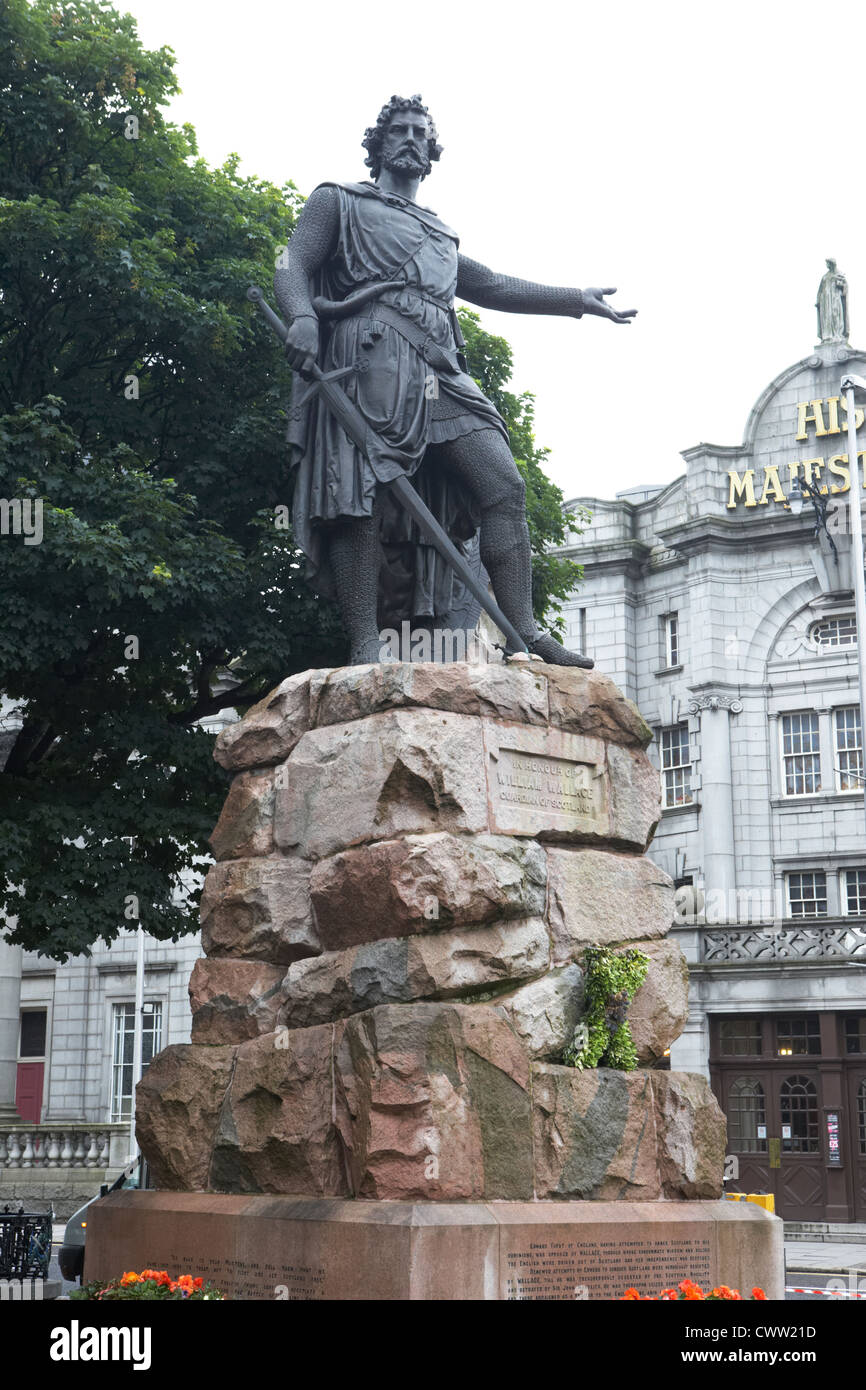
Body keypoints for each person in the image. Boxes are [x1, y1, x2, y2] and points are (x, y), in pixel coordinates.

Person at [275, 95, 636, 665]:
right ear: (378, 142)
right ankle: (366, 645)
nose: (412, 138)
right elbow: (291, 262)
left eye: (422, 131)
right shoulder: (338, 201)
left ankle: (525, 633)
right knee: (359, 498)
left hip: (439, 371)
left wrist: (573, 299)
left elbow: (489, 284)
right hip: (368, 357)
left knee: (504, 485)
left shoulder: (439, 233)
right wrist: (300, 316)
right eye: (401, 129)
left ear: (433, 149)